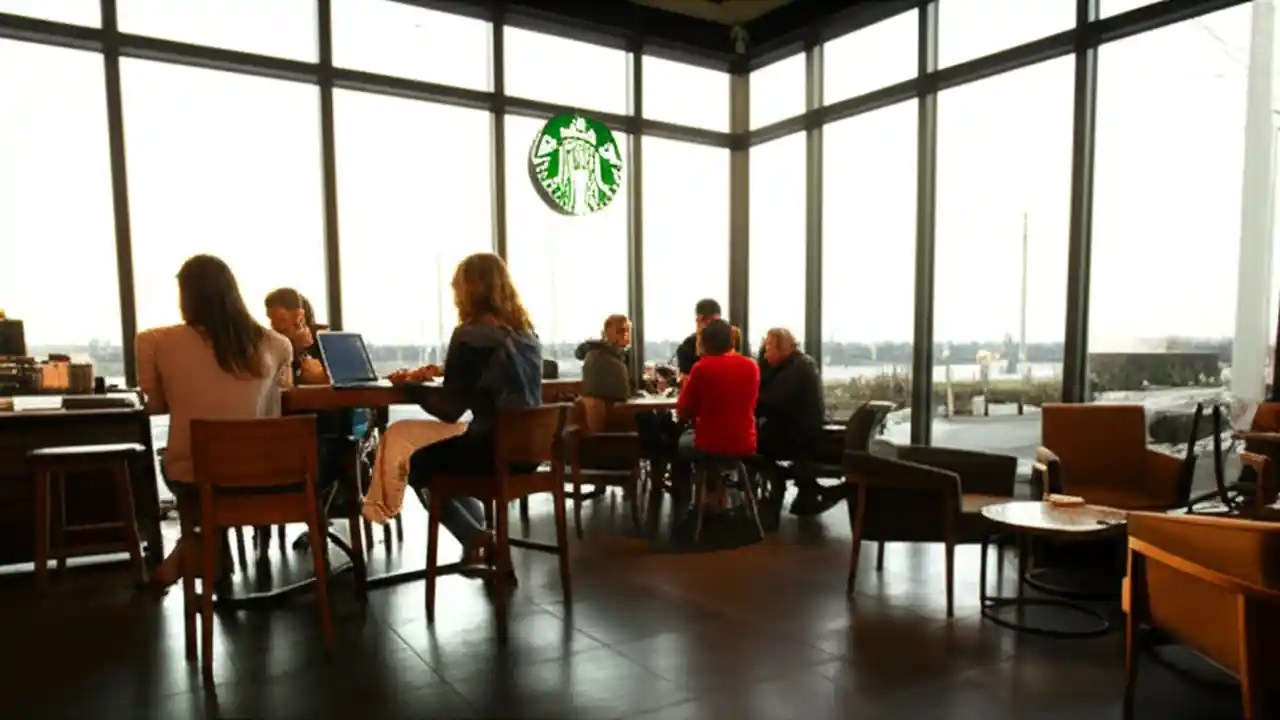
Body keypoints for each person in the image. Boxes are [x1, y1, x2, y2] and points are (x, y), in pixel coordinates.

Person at [137, 255, 293, 589]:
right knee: (222, 466)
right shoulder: (278, 345)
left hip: (197, 476)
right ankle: (204, 549)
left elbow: (157, 404)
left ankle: (197, 544)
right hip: (262, 473)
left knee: (185, 463)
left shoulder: (157, 343)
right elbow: (281, 396)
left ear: (187, 297)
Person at [393, 253, 542, 573]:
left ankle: (476, 537)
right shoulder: (527, 335)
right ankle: (483, 538)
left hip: (493, 451)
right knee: (449, 458)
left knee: (416, 461)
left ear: (469, 290)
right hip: (531, 450)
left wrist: (408, 388)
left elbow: (449, 410)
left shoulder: (470, 335)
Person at [673, 318, 760, 512]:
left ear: (705, 342)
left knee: (681, 444)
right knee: (711, 443)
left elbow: (683, 411)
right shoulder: (751, 366)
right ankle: (717, 497)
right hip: (745, 442)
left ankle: (690, 503)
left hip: (711, 443)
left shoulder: (702, 368)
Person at [756, 327, 833, 516]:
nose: (765, 355)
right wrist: (762, 360)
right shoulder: (794, 364)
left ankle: (775, 491)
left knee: (750, 446)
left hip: (797, 436)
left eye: (768, 349)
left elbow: (769, 401)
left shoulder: (798, 368)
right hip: (797, 432)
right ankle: (802, 491)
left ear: (781, 348)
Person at [264, 287, 328, 385]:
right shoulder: (272, 345)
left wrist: (324, 378)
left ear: (300, 319)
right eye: (270, 319)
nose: (274, 325)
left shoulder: (325, 341)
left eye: (281, 318)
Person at [675, 298, 748, 376]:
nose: (710, 326)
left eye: (714, 321)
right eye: (705, 320)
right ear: (697, 322)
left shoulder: (735, 340)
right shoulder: (686, 348)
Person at [575, 314, 635, 401]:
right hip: (617, 410)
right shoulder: (611, 362)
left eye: (628, 331)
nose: (626, 335)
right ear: (608, 332)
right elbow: (623, 396)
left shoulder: (592, 354)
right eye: (621, 331)